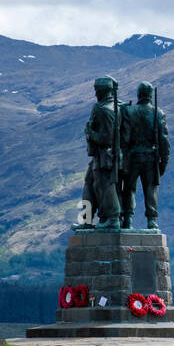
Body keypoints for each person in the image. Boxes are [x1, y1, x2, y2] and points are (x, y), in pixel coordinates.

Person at [76, 75, 129, 230]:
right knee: (90, 184)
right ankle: (86, 220)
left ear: (101, 91)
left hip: (105, 156)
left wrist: (90, 132)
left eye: (96, 90)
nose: (95, 94)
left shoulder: (103, 110)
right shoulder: (120, 106)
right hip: (109, 156)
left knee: (106, 185)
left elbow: (105, 138)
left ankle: (112, 218)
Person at [119, 81, 170, 230]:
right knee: (150, 189)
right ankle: (152, 220)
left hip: (133, 157)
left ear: (138, 94)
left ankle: (127, 219)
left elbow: (125, 139)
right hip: (150, 157)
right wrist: (164, 160)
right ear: (149, 96)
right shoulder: (158, 113)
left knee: (129, 189)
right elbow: (163, 140)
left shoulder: (129, 111)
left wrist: (124, 157)